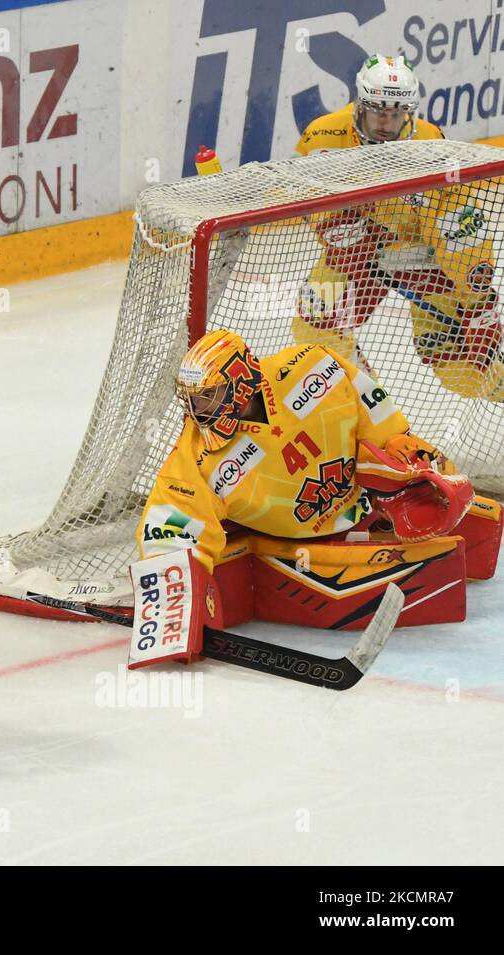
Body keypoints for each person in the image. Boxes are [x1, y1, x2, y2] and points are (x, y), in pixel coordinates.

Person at [128, 329, 479, 665]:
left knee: (417, 474)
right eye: (191, 398)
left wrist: (405, 458)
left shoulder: (313, 367)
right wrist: (176, 597)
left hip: (364, 503)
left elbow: (381, 423)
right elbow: (171, 520)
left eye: (208, 396)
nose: (196, 409)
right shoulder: (196, 457)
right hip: (293, 540)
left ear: (240, 384)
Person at [292, 53, 503, 402]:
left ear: (409, 112)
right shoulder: (325, 135)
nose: (386, 124)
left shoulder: (430, 144)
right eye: (378, 111)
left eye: (395, 114)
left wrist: (478, 305)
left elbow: (459, 225)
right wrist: (330, 226)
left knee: (460, 365)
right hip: (358, 249)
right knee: (316, 320)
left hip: (423, 256)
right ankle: (372, 410)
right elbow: (302, 192)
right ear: (360, 105)